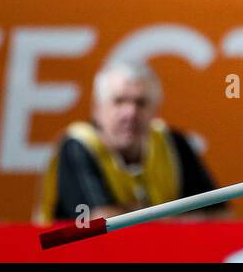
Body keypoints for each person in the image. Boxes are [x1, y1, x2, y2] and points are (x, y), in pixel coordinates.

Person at [34, 62, 227, 224]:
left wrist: (137, 215)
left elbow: (219, 215)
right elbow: (101, 222)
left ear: (155, 110)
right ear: (97, 109)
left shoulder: (173, 144)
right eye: (119, 102)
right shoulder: (77, 146)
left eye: (140, 103)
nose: (130, 113)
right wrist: (172, 221)